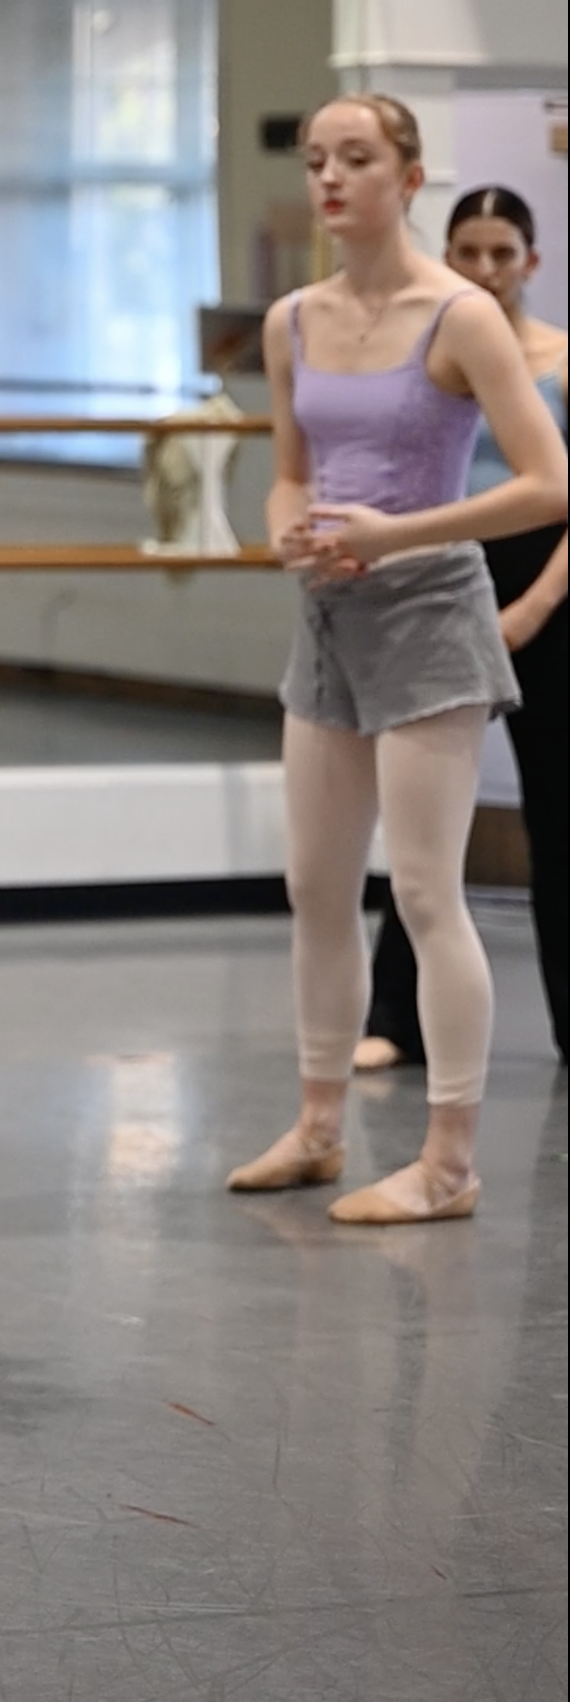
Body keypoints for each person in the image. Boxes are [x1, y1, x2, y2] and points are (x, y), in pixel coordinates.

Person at [227, 97, 567, 1224]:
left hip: (430, 613)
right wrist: (291, 524)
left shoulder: (461, 316)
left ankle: (451, 1163)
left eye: (356, 158)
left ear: (408, 176)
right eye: (317, 159)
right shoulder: (293, 320)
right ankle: (321, 1125)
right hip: (330, 619)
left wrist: (395, 534)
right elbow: (289, 466)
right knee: (317, 885)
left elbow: (548, 482)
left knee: (426, 889)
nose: (329, 176)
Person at [354, 185, 567, 1071]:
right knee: (422, 821)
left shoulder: (561, 357)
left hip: (547, 589)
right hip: (446, 582)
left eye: (501, 254)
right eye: (467, 253)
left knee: (556, 817)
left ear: (532, 261)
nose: (485, 270)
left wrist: (531, 609)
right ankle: (393, 1019)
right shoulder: (432, 354)